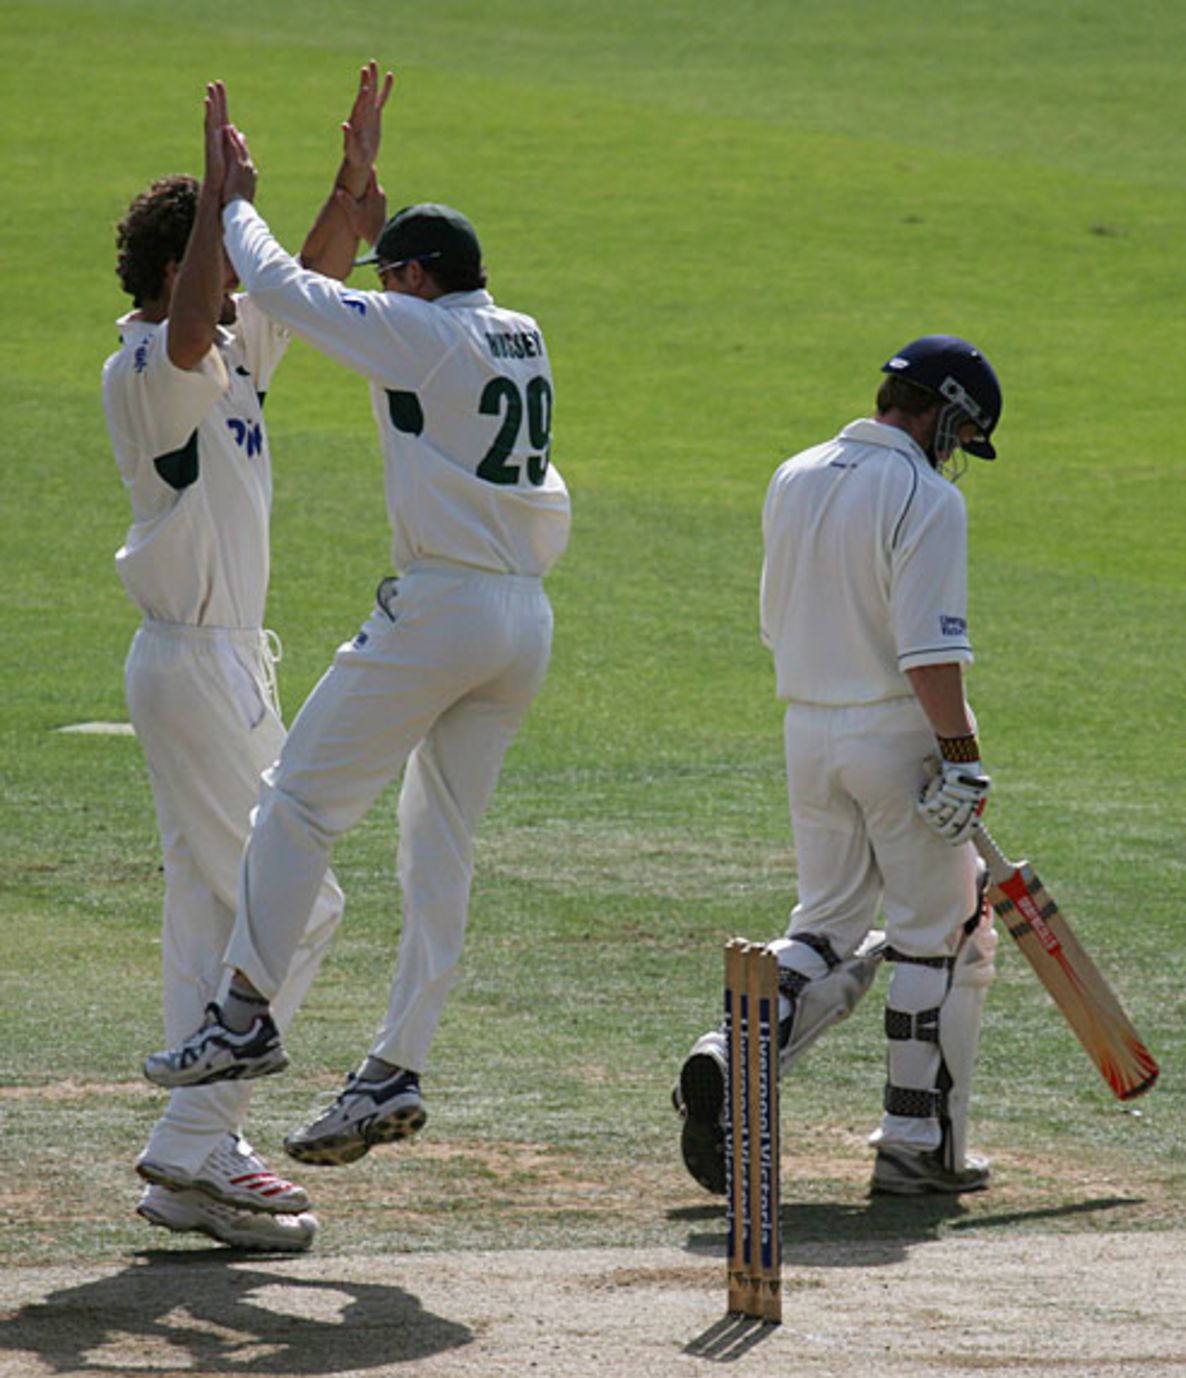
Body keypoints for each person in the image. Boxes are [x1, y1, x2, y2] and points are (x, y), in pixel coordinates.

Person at [143, 93, 572, 1172]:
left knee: (295, 804)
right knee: (441, 844)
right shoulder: (515, 329)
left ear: (418, 282)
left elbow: (289, 290)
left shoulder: (420, 330)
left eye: (393, 275)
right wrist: (363, 203)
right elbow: (354, 296)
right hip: (525, 617)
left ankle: (242, 1008)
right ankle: (396, 1065)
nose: (378, 295)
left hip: (444, 607)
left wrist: (239, 205)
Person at [106, 67, 392, 1249]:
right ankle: (193, 1146)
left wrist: (346, 189)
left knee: (211, 912)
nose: (241, 270)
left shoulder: (229, 343)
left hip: (219, 668)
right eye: (225, 246)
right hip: (192, 664)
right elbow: (187, 326)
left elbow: (308, 277)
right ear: (189, 271)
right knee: (301, 902)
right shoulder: (151, 368)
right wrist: (218, 190)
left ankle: (193, 1162)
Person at [673, 336, 1003, 1197]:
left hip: (807, 731)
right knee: (945, 938)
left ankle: (731, 1049)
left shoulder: (796, 472)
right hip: (895, 734)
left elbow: (777, 624)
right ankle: (917, 1143)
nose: (956, 451)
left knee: (825, 929)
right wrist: (961, 759)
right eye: (961, 432)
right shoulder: (925, 498)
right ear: (942, 410)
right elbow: (930, 657)